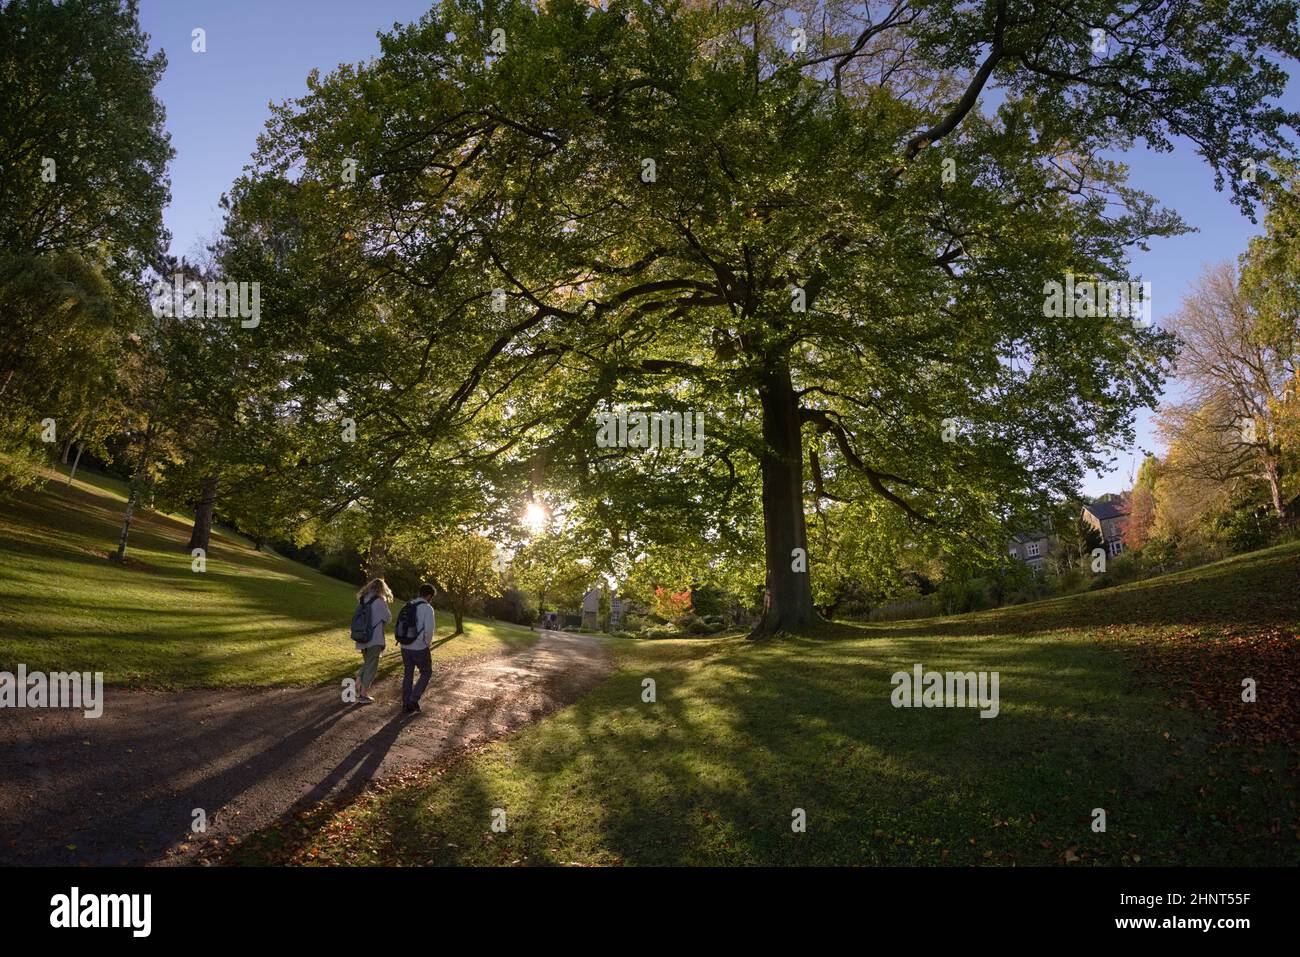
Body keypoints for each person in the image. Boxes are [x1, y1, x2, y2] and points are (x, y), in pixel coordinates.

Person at [354, 578, 393, 705]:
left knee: (367, 662)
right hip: (374, 638)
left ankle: (359, 681)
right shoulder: (380, 601)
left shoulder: (362, 599)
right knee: (372, 665)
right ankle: (363, 694)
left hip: (361, 637)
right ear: (382, 589)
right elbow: (388, 618)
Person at [402, 583, 437, 714]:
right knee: (426, 672)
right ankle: (413, 699)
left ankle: (406, 702)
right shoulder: (428, 609)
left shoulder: (409, 604)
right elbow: (428, 630)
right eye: (431, 597)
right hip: (419, 647)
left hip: (405, 645)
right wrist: (427, 644)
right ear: (429, 596)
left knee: (408, 673)